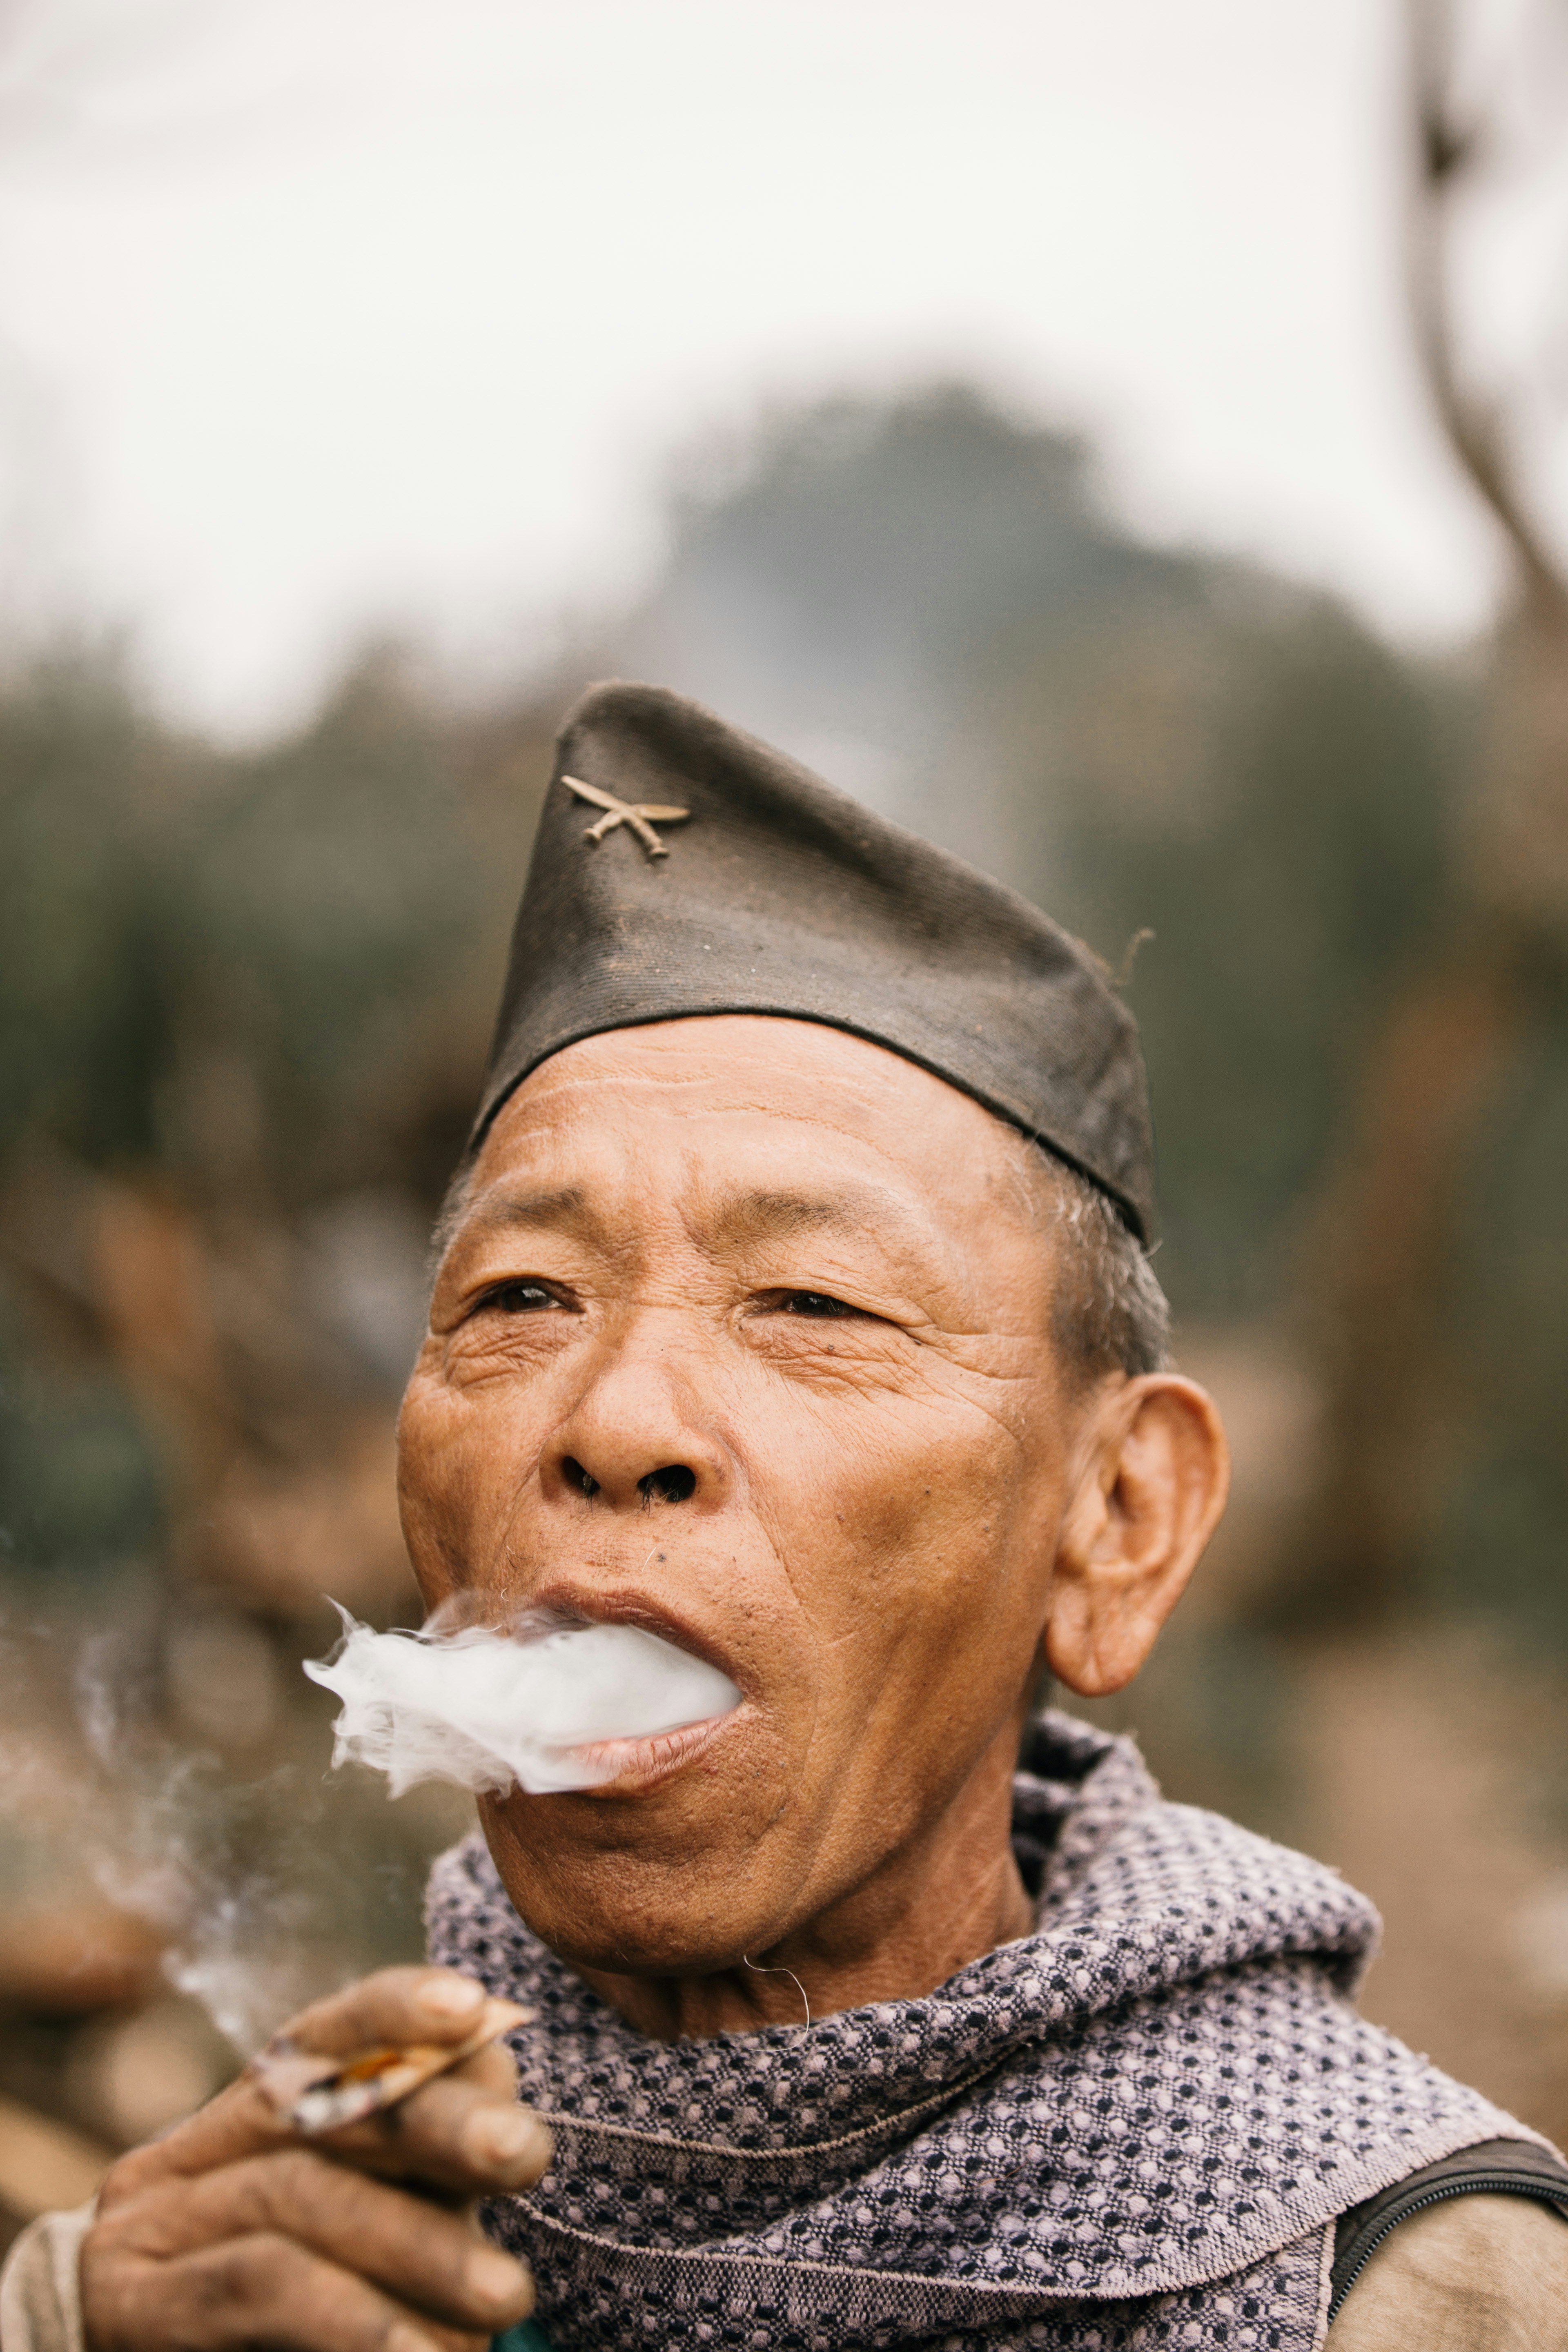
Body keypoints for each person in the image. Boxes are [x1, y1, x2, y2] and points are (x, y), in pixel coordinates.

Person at [5, 683, 1566, 2352]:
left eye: (816, 1303)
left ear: (1118, 1521)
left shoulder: (1412, 2300)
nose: (613, 1421)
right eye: (522, 1294)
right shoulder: (262, 2242)